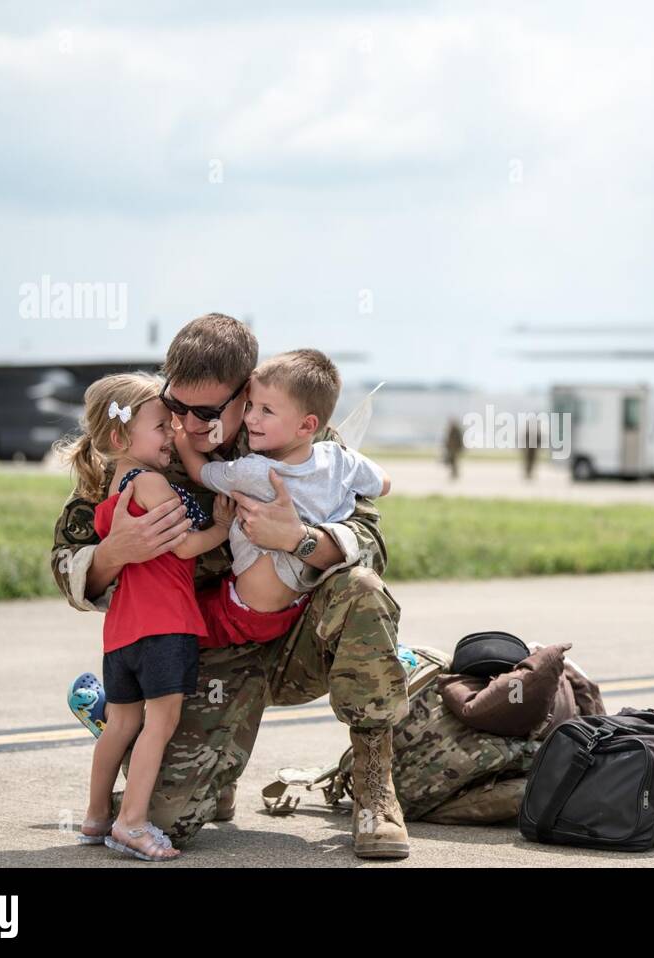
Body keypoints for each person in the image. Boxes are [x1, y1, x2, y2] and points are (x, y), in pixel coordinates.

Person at [51, 314, 411, 859]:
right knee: (168, 818)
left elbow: (371, 540)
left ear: (246, 392)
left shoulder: (293, 430)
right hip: (202, 649)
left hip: (294, 639)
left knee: (361, 588)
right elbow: (65, 558)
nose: (189, 426)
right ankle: (124, 722)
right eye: (177, 406)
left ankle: (374, 788)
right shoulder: (148, 444)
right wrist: (111, 554)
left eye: (207, 412)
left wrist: (300, 540)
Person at [56, 372, 234, 861]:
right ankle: (131, 823)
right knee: (162, 724)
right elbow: (186, 542)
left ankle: (95, 817)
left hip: (122, 633)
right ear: (120, 437)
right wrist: (220, 524)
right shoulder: (153, 482)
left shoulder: (110, 495)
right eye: (161, 426)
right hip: (164, 625)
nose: (173, 434)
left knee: (121, 724)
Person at [175, 349, 391, 643]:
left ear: (306, 425)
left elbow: (202, 473)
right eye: (250, 405)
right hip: (295, 608)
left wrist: (181, 438)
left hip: (240, 614)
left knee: (171, 623)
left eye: (266, 411)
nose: (251, 417)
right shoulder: (340, 458)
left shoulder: (255, 472)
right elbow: (383, 483)